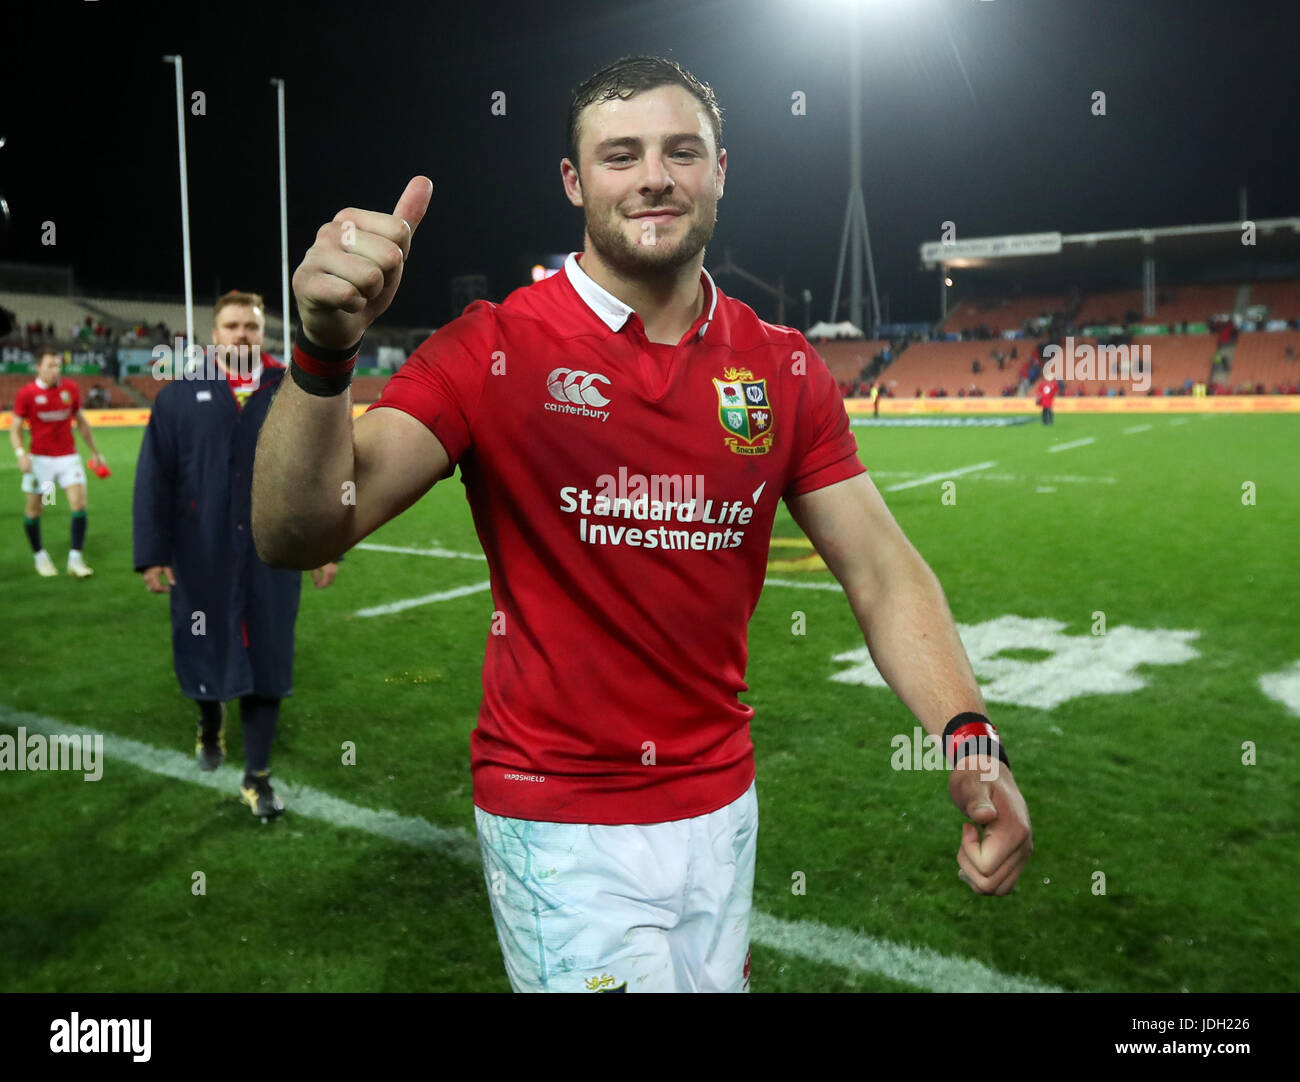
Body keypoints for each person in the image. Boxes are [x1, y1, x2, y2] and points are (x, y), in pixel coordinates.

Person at [253, 55, 1032, 993]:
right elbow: (296, 534)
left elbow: (882, 569)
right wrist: (323, 350)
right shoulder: (492, 346)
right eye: (621, 155)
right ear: (576, 183)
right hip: (559, 817)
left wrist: (969, 737)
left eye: (681, 151)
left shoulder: (783, 367)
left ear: (720, 171)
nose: (654, 176)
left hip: (722, 805)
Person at [133, 291, 342, 819]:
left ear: (262, 332)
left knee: (267, 655)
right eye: (231, 327)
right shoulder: (179, 397)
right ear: (214, 333)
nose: (241, 335)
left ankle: (258, 775)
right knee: (203, 644)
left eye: (251, 327)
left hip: (272, 552)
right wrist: (152, 554)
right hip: (198, 551)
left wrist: (324, 543)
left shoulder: (292, 390)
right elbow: (154, 481)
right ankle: (208, 722)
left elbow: (319, 469)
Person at [9, 346, 105, 577]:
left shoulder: (69, 389)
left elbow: (80, 421)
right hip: (39, 460)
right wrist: (20, 453)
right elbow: (15, 428)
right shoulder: (27, 393)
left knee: (79, 504)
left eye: (58, 365)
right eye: (50, 365)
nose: (55, 370)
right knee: (35, 509)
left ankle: (75, 560)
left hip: (67, 457)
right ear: (38, 367)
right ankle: (40, 557)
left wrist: (95, 451)